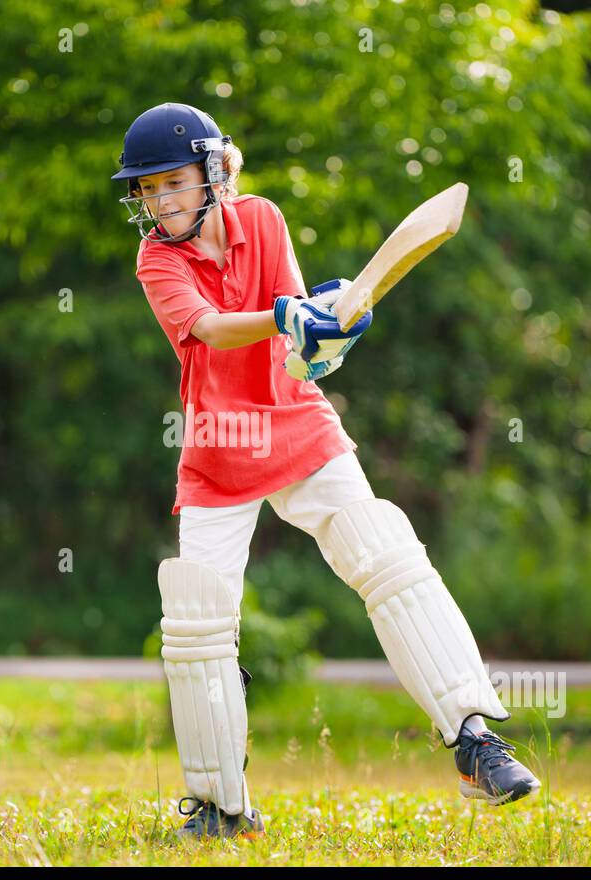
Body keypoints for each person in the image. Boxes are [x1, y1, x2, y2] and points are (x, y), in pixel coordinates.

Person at [110, 103, 540, 840]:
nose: (159, 202)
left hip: (298, 427)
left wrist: (327, 334)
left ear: (216, 172)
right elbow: (212, 329)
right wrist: (289, 316)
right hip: (218, 447)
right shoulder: (158, 259)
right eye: (147, 190)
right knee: (196, 621)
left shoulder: (266, 220)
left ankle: (474, 741)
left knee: (387, 555)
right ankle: (221, 806)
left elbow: (300, 342)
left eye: (172, 183)